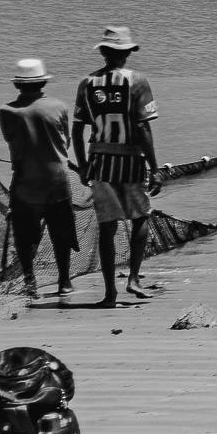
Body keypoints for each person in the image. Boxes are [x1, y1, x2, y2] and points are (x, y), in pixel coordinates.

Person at [73, 25, 160, 307]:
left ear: (104, 53)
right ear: (127, 53)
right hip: (131, 161)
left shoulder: (87, 83)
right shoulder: (137, 81)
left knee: (107, 227)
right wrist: (155, 167)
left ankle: (109, 294)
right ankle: (133, 278)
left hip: (100, 163)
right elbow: (143, 129)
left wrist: (84, 165)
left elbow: (77, 130)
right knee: (141, 218)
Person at [0, 58, 79, 303]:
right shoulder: (59, 106)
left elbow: (11, 140)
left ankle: (29, 281)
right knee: (61, 233)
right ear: (43, 82)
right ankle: (64, 281)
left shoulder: (6, 111)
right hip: (57, 180)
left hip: (24, 182)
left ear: (17, 86)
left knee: (25, 236)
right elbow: (66, 142)